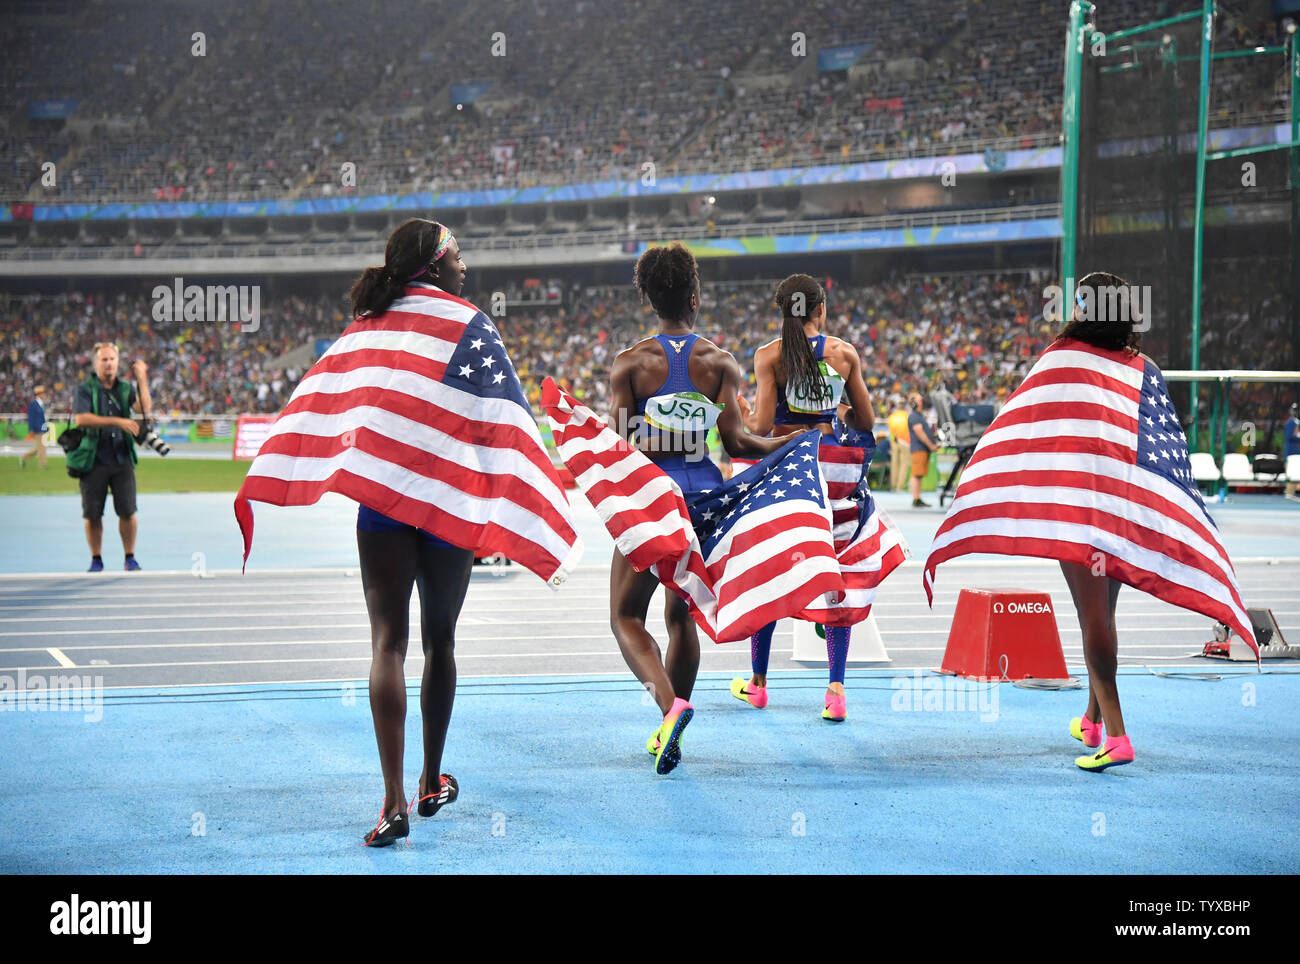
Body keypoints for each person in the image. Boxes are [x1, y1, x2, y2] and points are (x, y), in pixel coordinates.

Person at [609, 242, 788, 774]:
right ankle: (673, 736)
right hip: (704, 498)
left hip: (652, 499)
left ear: (649, 298)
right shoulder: (720, 364)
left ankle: (671, 711)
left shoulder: (631, 364)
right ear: (694, 296)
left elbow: (622, 445)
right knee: (681, 615)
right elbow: (737, 444)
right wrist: (792, 443)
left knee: (624, 615)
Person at [347, 219, 474, 845]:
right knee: (440, 643)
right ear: (436, 265)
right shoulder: (471, 323)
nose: (466, 270)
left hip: (384, 498)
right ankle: (429, 782)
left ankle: (392, 800)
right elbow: (493, 421)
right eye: (459, 258)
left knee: (387, 644)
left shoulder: (369, 324)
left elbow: (342, 405)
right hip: (447, 501)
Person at [734, 273, 877, 722]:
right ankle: (835, 690)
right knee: (838, 566)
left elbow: (757, 429)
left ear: (782, 312)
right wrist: (838, 408)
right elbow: (867, 419)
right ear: (821, 309)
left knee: (775, 564)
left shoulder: (767, 356)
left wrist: (741, 412)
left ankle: (758, 684)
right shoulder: (844, 354)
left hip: (786, 465)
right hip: (832, 466)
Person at [71, 344, 151, 572]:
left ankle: (130, 556)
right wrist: (118, 421)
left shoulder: (125, 388)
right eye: (104, 359)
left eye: (112, 359)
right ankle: (96, 558)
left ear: (118, 362)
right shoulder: (85, 389)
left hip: (122, 457)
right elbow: (82, 419)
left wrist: (142, 378)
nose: (108, 363)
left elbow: (145, 408)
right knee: (93, 514)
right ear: (96, 363)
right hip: (92, 458)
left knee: (128, 511)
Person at [908, 392, 938, 507]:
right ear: (914, 403)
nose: (922, 402)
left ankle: (917, 497)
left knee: (919, 474)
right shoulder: (914, 416)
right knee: (916, 474)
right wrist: (931, 445)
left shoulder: (919, 416)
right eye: (919, 400)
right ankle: (916, 499)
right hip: (919, 448)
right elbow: (919, 433)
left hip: (922, 448)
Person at [18, 385, 49, 470]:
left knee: (39, 448)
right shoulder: (33, 404)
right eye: (43, 393)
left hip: (41, 429)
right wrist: (31, 429)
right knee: (42, 447)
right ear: (38, 394)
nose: (44, 395)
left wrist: (45, 428)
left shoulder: (41, 404)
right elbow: (31, 418)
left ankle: (23, 458)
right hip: (36, 429)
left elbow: (42, 419)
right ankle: (43, 465)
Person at [887, 394, 909, 491]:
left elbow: (891, 429)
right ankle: (900, 486)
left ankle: (893, 484)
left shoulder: (892, 416)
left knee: (894, 463)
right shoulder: (907, 416)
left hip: (894, 441)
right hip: (905, 442)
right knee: (904, 464)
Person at [1285, 402, 1299, 502]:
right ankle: (1289, 492)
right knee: (1292, 472)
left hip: (1296, 451)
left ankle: (1292, 492)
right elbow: (1290, 436)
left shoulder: (1296, 422)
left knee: (1297, 472)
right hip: (1292, 451)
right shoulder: (1290, 422)